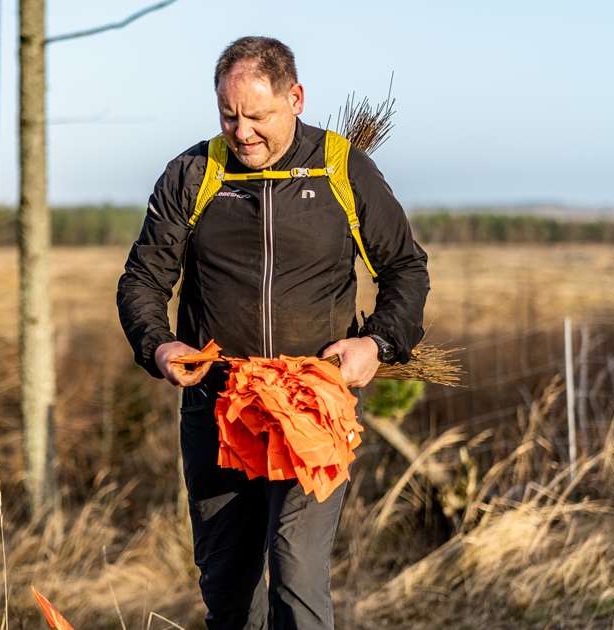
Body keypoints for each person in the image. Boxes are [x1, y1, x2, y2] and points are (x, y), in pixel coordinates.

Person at [115, 36, 430, 629]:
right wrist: (160, 345)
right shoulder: (193, 174)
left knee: (296, 573)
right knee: (230, 594)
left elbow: (406, 269)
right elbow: (141, 282)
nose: (243, 132)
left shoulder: (341, 169)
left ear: (296, 98)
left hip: (312, 407)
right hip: (216, 408)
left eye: (257, 116)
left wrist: (377, 344)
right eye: (229, 116)